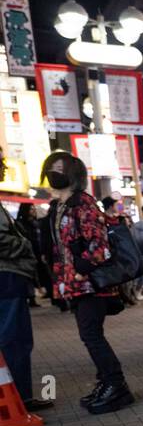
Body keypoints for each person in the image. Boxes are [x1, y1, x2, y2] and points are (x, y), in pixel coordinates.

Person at [42, 152, 133, 414]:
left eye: (59, 167)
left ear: (72, 173)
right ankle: (107, 382)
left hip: (90, 282)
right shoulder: (61, 205)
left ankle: (117, 386)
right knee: (90, 334)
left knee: (91, 334)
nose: (53, 171)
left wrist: (82, 270)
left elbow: (100, 244)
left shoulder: (83, 203)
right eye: (51, 167)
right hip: (74, 283)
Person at [0, 151, 49, 411]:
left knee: (12, 338)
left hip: (8, 276)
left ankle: (17, 397)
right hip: (7, 276)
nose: (4, 168)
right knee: (14, 338)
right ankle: (19, 398)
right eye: (1, 163)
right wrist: (25, 244)